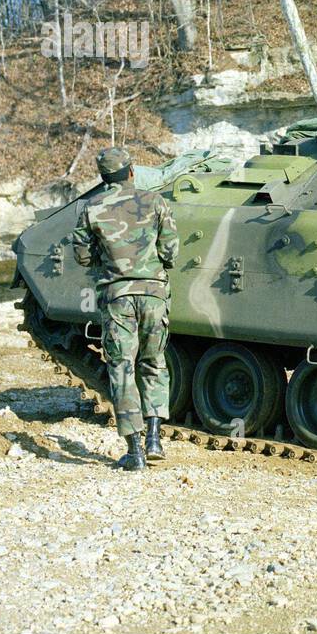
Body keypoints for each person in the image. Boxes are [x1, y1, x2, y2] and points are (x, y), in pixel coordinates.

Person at [72, 147, 178, 470]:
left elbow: (82, 256)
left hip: (117, 297)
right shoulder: (156, 202)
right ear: (131, 172)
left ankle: (135, 452)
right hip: (154, 295)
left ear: (104, 179)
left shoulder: (92, 209)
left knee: (122, 368)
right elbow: (171, 251)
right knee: (154, 361)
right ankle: (155, 439)